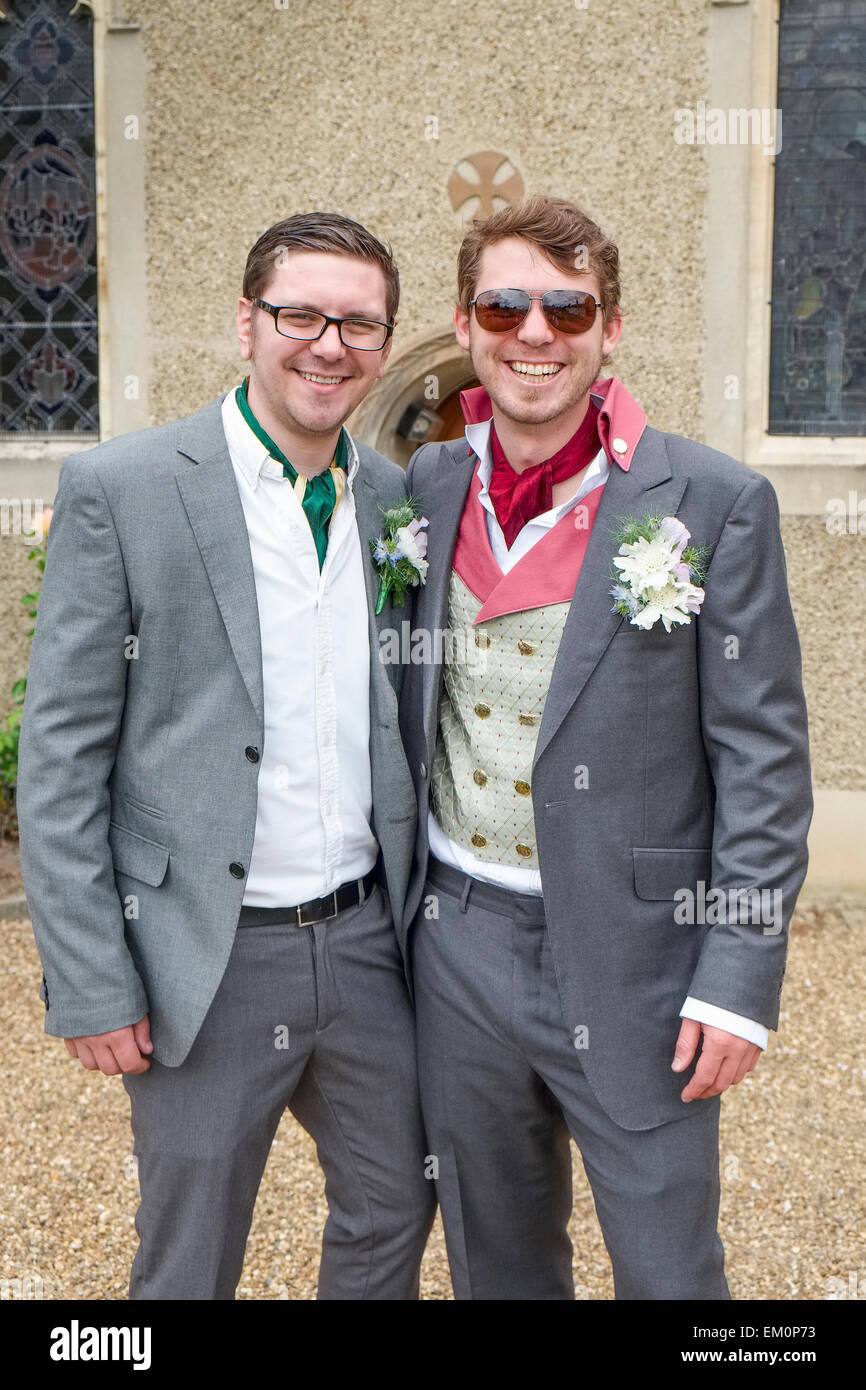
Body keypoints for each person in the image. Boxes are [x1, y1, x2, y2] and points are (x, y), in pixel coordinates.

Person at [399, 194, 812, 1300]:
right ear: (467, 323)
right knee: (499, 1264)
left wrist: (734, 980)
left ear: (609, 327)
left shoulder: (713, 501)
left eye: (566, 308)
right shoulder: (424, 489)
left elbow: (762, 764)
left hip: (643, 955)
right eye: (505, 303)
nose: (535, 331)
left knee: (669, 1273)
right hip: (455, 941)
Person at [17, 211, 435, 1300]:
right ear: (245, 323)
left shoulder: (392, 499)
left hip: (363, 944)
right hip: (202, 955)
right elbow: (61, 755)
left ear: (385, 344)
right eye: (300, 314)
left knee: (395, 1202)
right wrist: (91, 979)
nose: (327, 344)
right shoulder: (128, 488)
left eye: (357, 323)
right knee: (190, 1246)